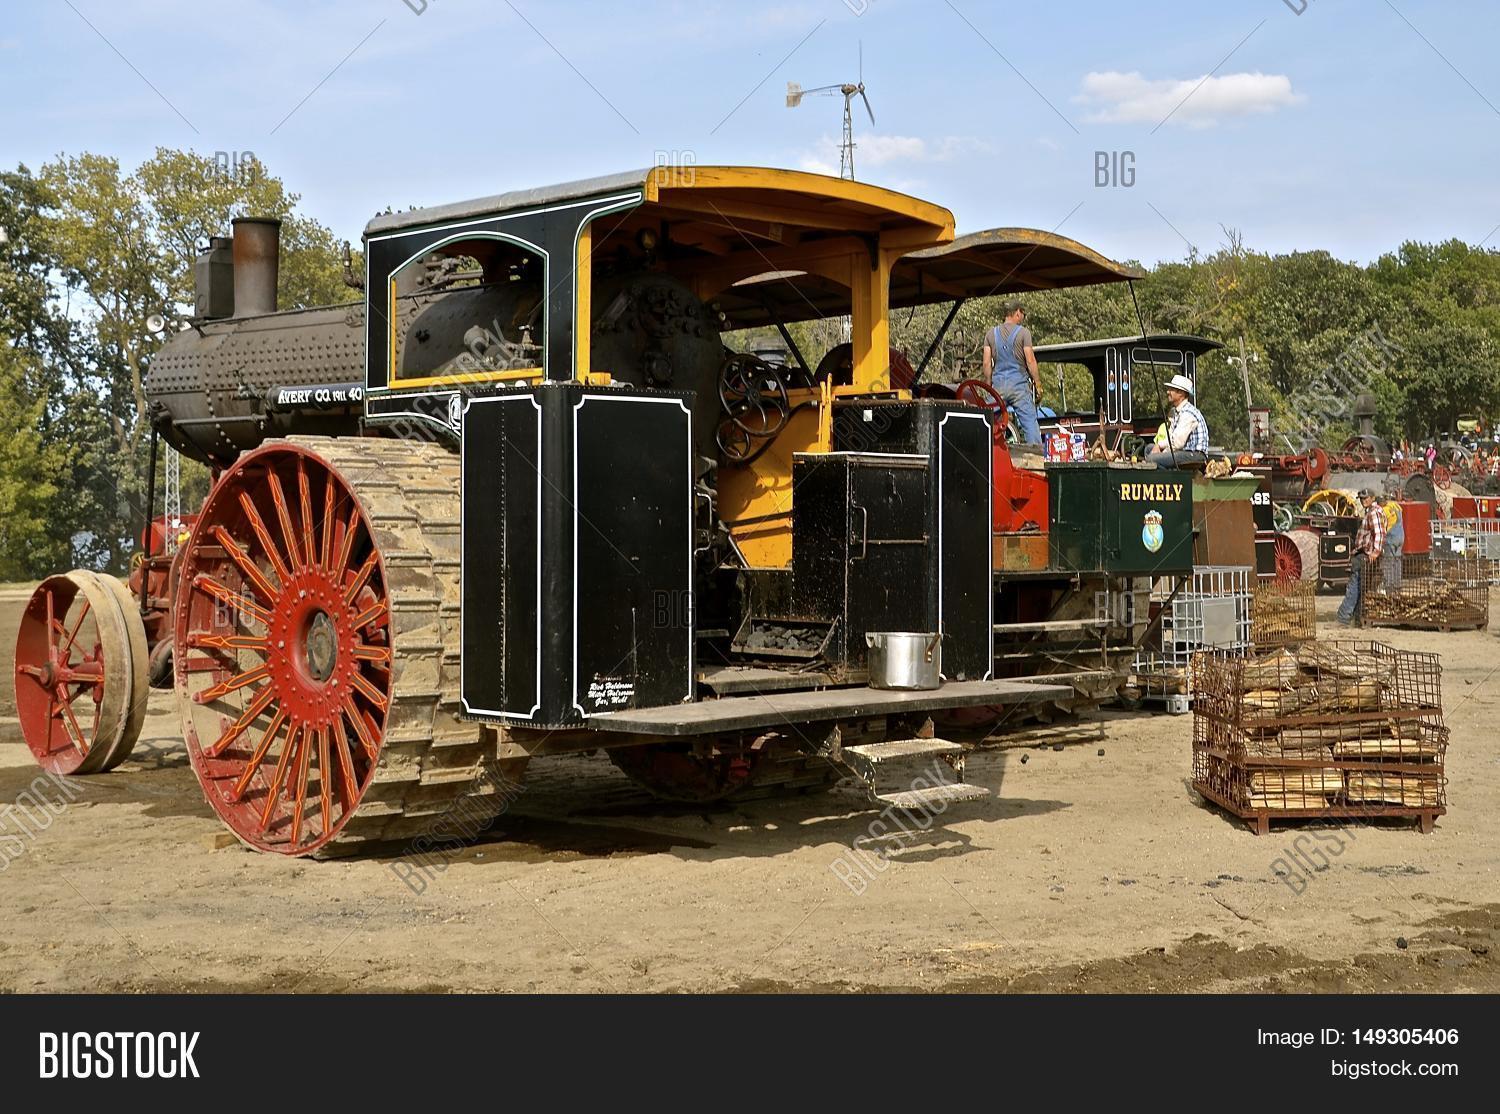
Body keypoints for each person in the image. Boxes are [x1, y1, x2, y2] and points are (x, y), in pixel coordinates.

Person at [982, 299, 1042, 445]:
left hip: (998, 386)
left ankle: (984, 449)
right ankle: (1036, 458)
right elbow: (1030, 360)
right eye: (1023, 314)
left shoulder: (991, 334)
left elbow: (986, 363)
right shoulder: (1024, 333)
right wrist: (1038, 384)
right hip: (1019, 387)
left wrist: (989, 385)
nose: (1022, 317)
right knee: (1029, 421)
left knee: (986, 419)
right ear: (1017, 313)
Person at [1337, 488, 1386, 626]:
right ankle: (1358, 617)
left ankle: (1343, 617)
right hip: (1364, 554)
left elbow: (1380, 533)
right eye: (1361, 499)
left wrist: (1375, 551)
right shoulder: (1372, 512)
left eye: (1365, 498)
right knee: (1362, 586)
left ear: (1372, 498)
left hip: (1365, 555)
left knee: (1354, 585)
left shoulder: (1374, 513)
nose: (1363, 501)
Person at [1144, 373, 1209, 468]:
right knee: (1149, 449)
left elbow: (1178, 443)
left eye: (1171, 390)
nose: (1168, 392)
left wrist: (1161, 451)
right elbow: (1171, 436)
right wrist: (1159, 446)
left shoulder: (1188, 413)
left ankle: (1168, 480)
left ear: (1181, 394)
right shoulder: (1175, 412)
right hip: (1183, 452)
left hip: (1195, 455)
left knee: (1151, 458)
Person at [1380, 494, 1404, 591]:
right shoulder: (1395, 505)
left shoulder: (1384, 510)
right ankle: (1397, 585)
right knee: (1397, 561)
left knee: (1388, 562)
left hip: (1390, 538)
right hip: (1400, 537)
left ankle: (1389, 585)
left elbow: (1382, 525)